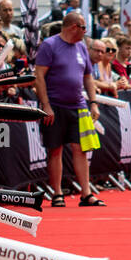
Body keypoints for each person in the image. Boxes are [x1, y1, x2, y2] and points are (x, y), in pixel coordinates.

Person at [32, 11, 105, 208]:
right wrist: (45, 105)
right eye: (83, 27)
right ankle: (57, 193)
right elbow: (39, 76)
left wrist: (93, 102)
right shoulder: (50, 45)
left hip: (78, 106)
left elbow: (88, 76)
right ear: (74, 27)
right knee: (55, 149)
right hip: (55, 105)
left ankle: (86, 193)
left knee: (81, 149)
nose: (85, 32)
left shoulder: (81, 47)